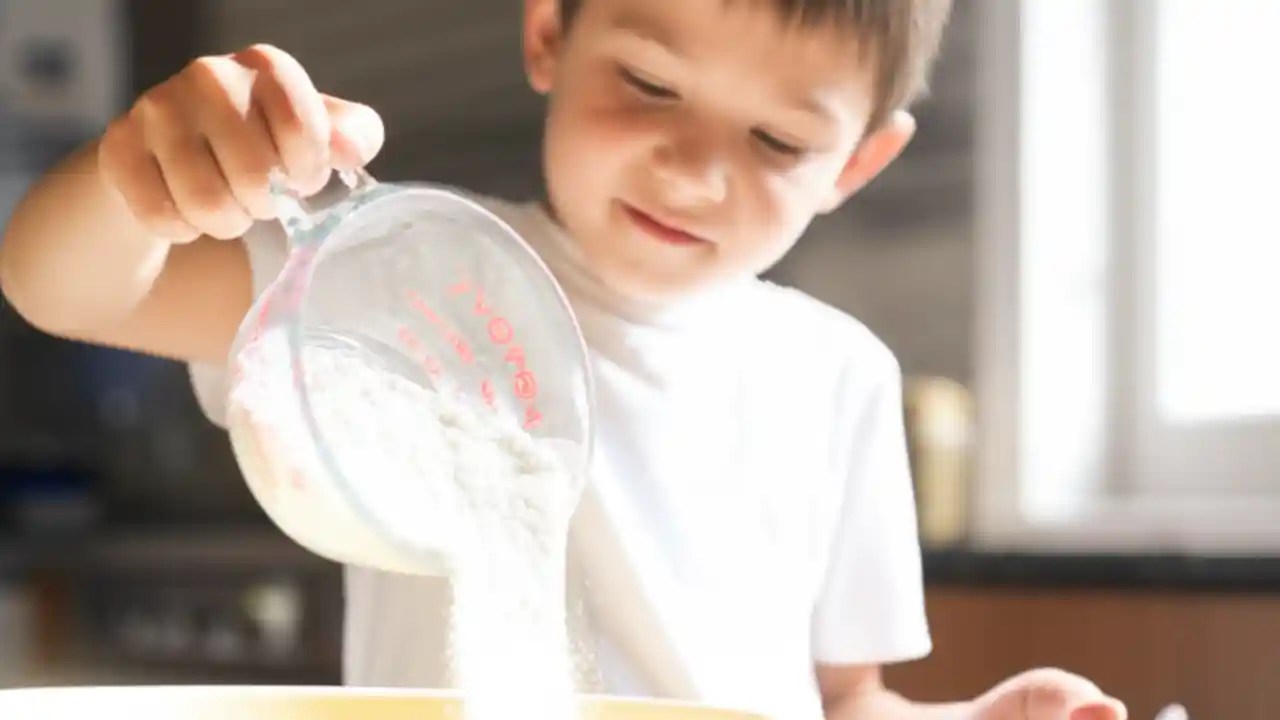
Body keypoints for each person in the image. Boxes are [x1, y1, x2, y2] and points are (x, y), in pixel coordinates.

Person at [0, 1, 1127, 719]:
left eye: (777, 140)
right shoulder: (405, 283)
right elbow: (68, 288)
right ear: (549, 33)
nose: (692, 171)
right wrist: (136, 174)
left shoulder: (841, 377)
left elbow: (847, 703)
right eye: (648, 85)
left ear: (859, 161)